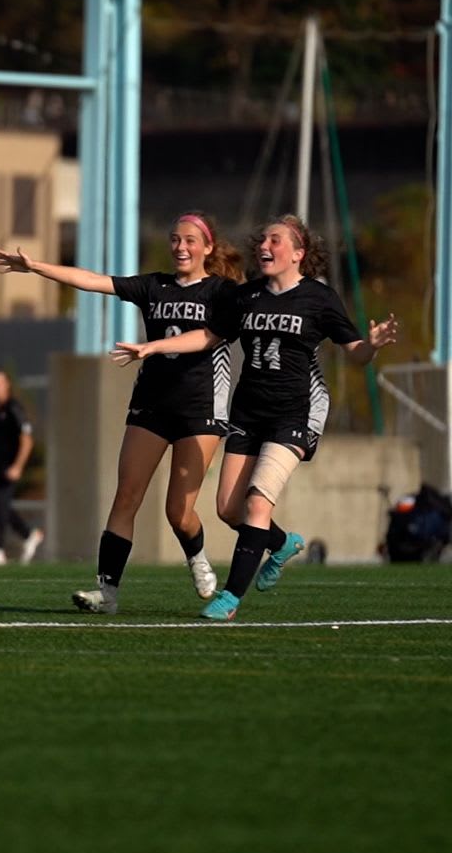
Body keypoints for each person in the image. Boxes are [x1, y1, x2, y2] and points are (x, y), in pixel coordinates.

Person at [112, 215, 400, 620]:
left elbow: (353, 352)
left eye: (276, 240)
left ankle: (229, 600)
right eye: (263, 239)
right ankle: (281, 545)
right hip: (248, 411)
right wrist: (154, 347)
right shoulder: (245, 297)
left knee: (256, 504)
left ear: (298, 254)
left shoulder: (318, 298)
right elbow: (209, 336)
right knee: (228, 509)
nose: (265, 246)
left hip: (296, 411)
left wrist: (370, 346)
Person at [0, 210, 240, 609]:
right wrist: (36, 266)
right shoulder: (154, 285)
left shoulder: (222, 292)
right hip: (152, 403)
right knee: (126, 496)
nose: (181, 247)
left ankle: (197, 558)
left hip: (200, 408)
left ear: (208, 247)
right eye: (175, 239)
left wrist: (151, 348)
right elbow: (92, 280)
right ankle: (107, 592)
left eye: (190, 240)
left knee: (179, 512)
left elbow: (206, 338)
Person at [0, 369, 43, 567]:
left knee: (2, 501)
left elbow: (27, 441)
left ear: (7, 384)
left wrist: (18, 466)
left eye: (0, 383)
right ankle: (29, 534)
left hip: (12, 463)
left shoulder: (15, 408)